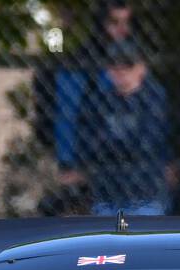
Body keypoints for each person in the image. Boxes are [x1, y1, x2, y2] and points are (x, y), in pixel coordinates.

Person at [74, 39, 175, 216]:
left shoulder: (153, 99)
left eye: (128, 64)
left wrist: (110, 145)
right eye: (114, 65)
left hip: (146, 194)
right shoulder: (99, 101)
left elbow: (148, 143)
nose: (121, 71)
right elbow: (89, 145)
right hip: (107, 194)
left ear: (141, 68)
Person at [54, 2, 135, 194]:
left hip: (131, 159)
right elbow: (67, 115)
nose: (123, 30)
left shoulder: (136, 60)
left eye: (127, 22)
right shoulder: (80, 63)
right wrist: (68, 164)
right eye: (115, 22)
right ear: (102, 25)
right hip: (90, 160)